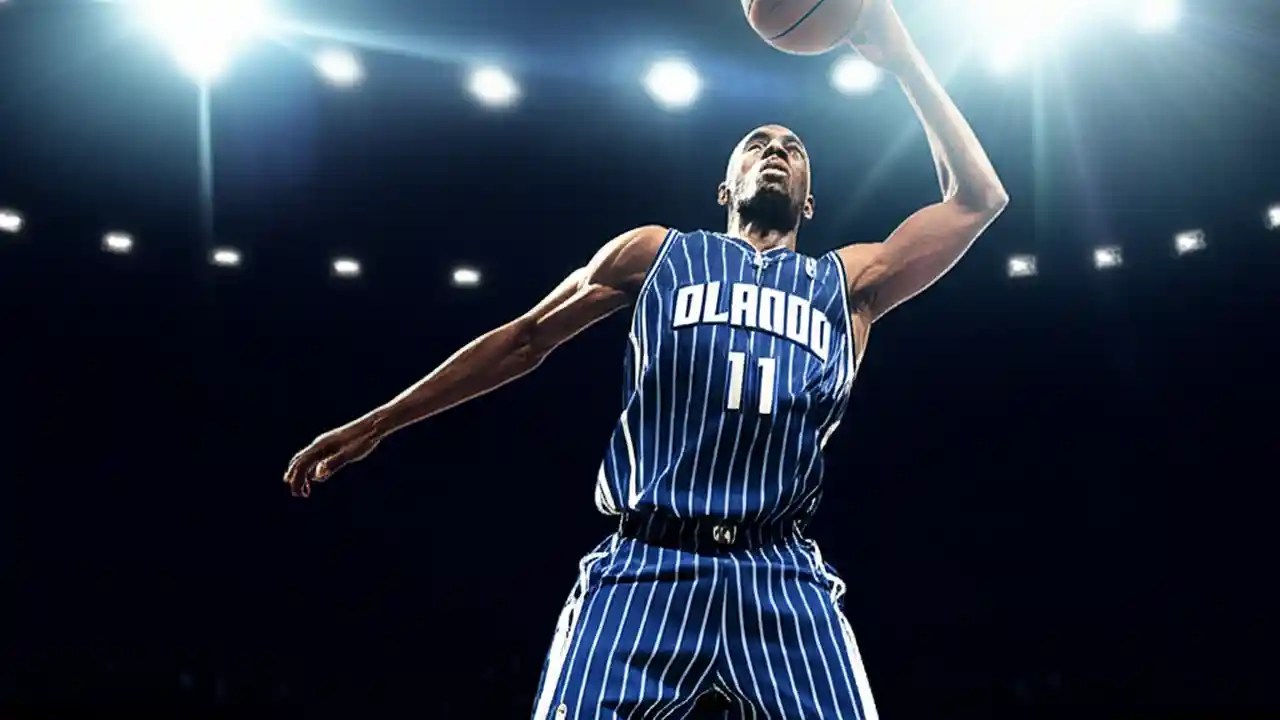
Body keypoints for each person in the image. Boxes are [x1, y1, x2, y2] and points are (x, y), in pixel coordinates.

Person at [283, 1, 1007, 716]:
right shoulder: (657, 254)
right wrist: (381, 420)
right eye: (758, 143)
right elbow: (526, 335)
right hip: (646, 565)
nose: (778, 150)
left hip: (779, 572)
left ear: (810, 202)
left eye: (793, 148)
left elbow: (978, 199)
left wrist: (902, 57)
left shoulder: (848, 282)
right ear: (726, 188)